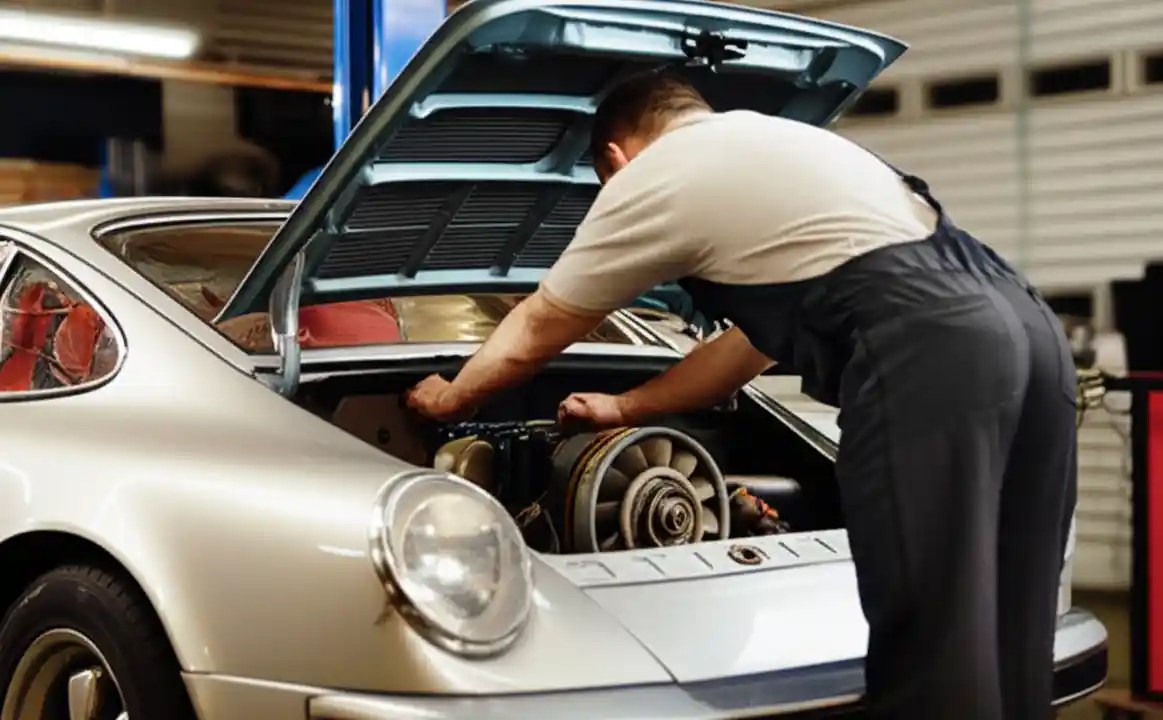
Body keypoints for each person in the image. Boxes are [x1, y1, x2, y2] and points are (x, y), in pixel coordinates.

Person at [406, 70, 1077, 720]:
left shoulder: (654, 174)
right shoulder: (779, 146)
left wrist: (452, 399)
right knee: (1013, 621)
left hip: (931, 348)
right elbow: (745, 350)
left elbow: (539, 324)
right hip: (1028, 331)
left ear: (615, 156)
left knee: (930, 632)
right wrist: (624, 408)